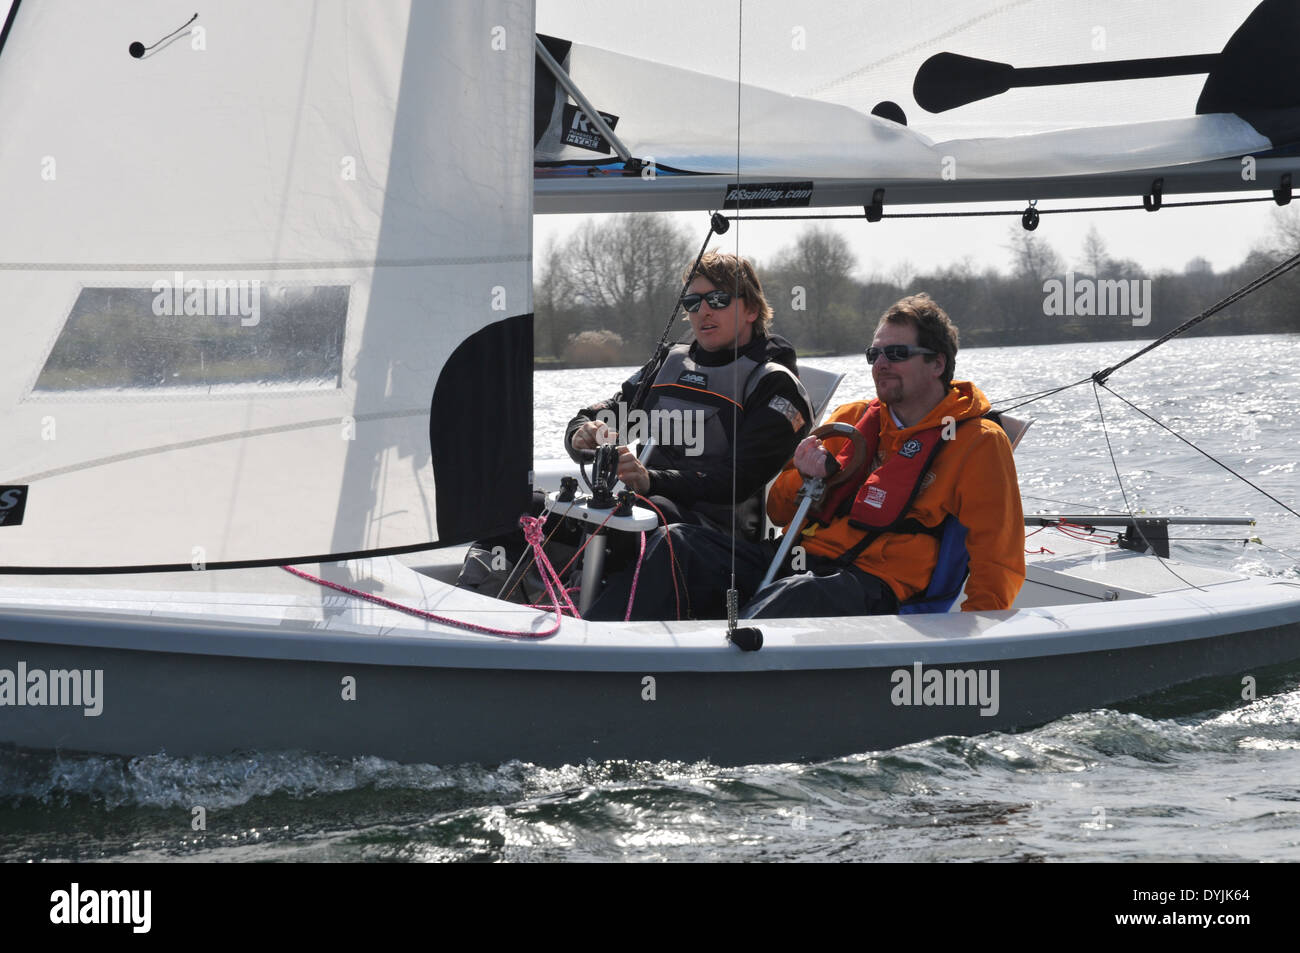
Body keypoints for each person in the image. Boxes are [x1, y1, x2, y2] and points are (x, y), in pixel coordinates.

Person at [585, 292, 1025, 620]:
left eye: (897, 354)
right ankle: (600, 651)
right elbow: (779, 508)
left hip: (878, 586)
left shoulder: (979, 442)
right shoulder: (852, 420)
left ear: (938, 364)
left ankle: (718, 680)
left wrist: (977, 639)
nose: (881, 364)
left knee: (797, 596)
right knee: (678, 543)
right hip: (800, 559)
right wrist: (810, 479)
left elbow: (997, 557)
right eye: (875, 353)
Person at [565, 251, 812, 543]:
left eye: (718, 300)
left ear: (752, 310)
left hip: (717, 540)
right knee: (530, 507)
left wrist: (650, 480)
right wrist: (582, 434)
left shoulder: (775, 385)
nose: (703, 312)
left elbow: (737, 481)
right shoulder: (668, 363)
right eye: (693, 303)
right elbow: (612, 414)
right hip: (646, 512)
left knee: (637, 525)